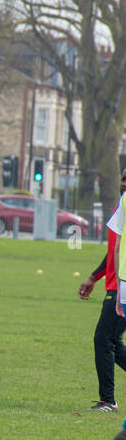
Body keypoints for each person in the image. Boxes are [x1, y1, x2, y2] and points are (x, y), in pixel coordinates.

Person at [85, 169, 126, 411]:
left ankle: (108, 401)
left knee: (104, 339)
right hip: (116, 284)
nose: (124, 184)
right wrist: (94, 277)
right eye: (123, 179)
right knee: (112, 341)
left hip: (121, 286)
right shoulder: (121, 207)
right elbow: (114, 250)